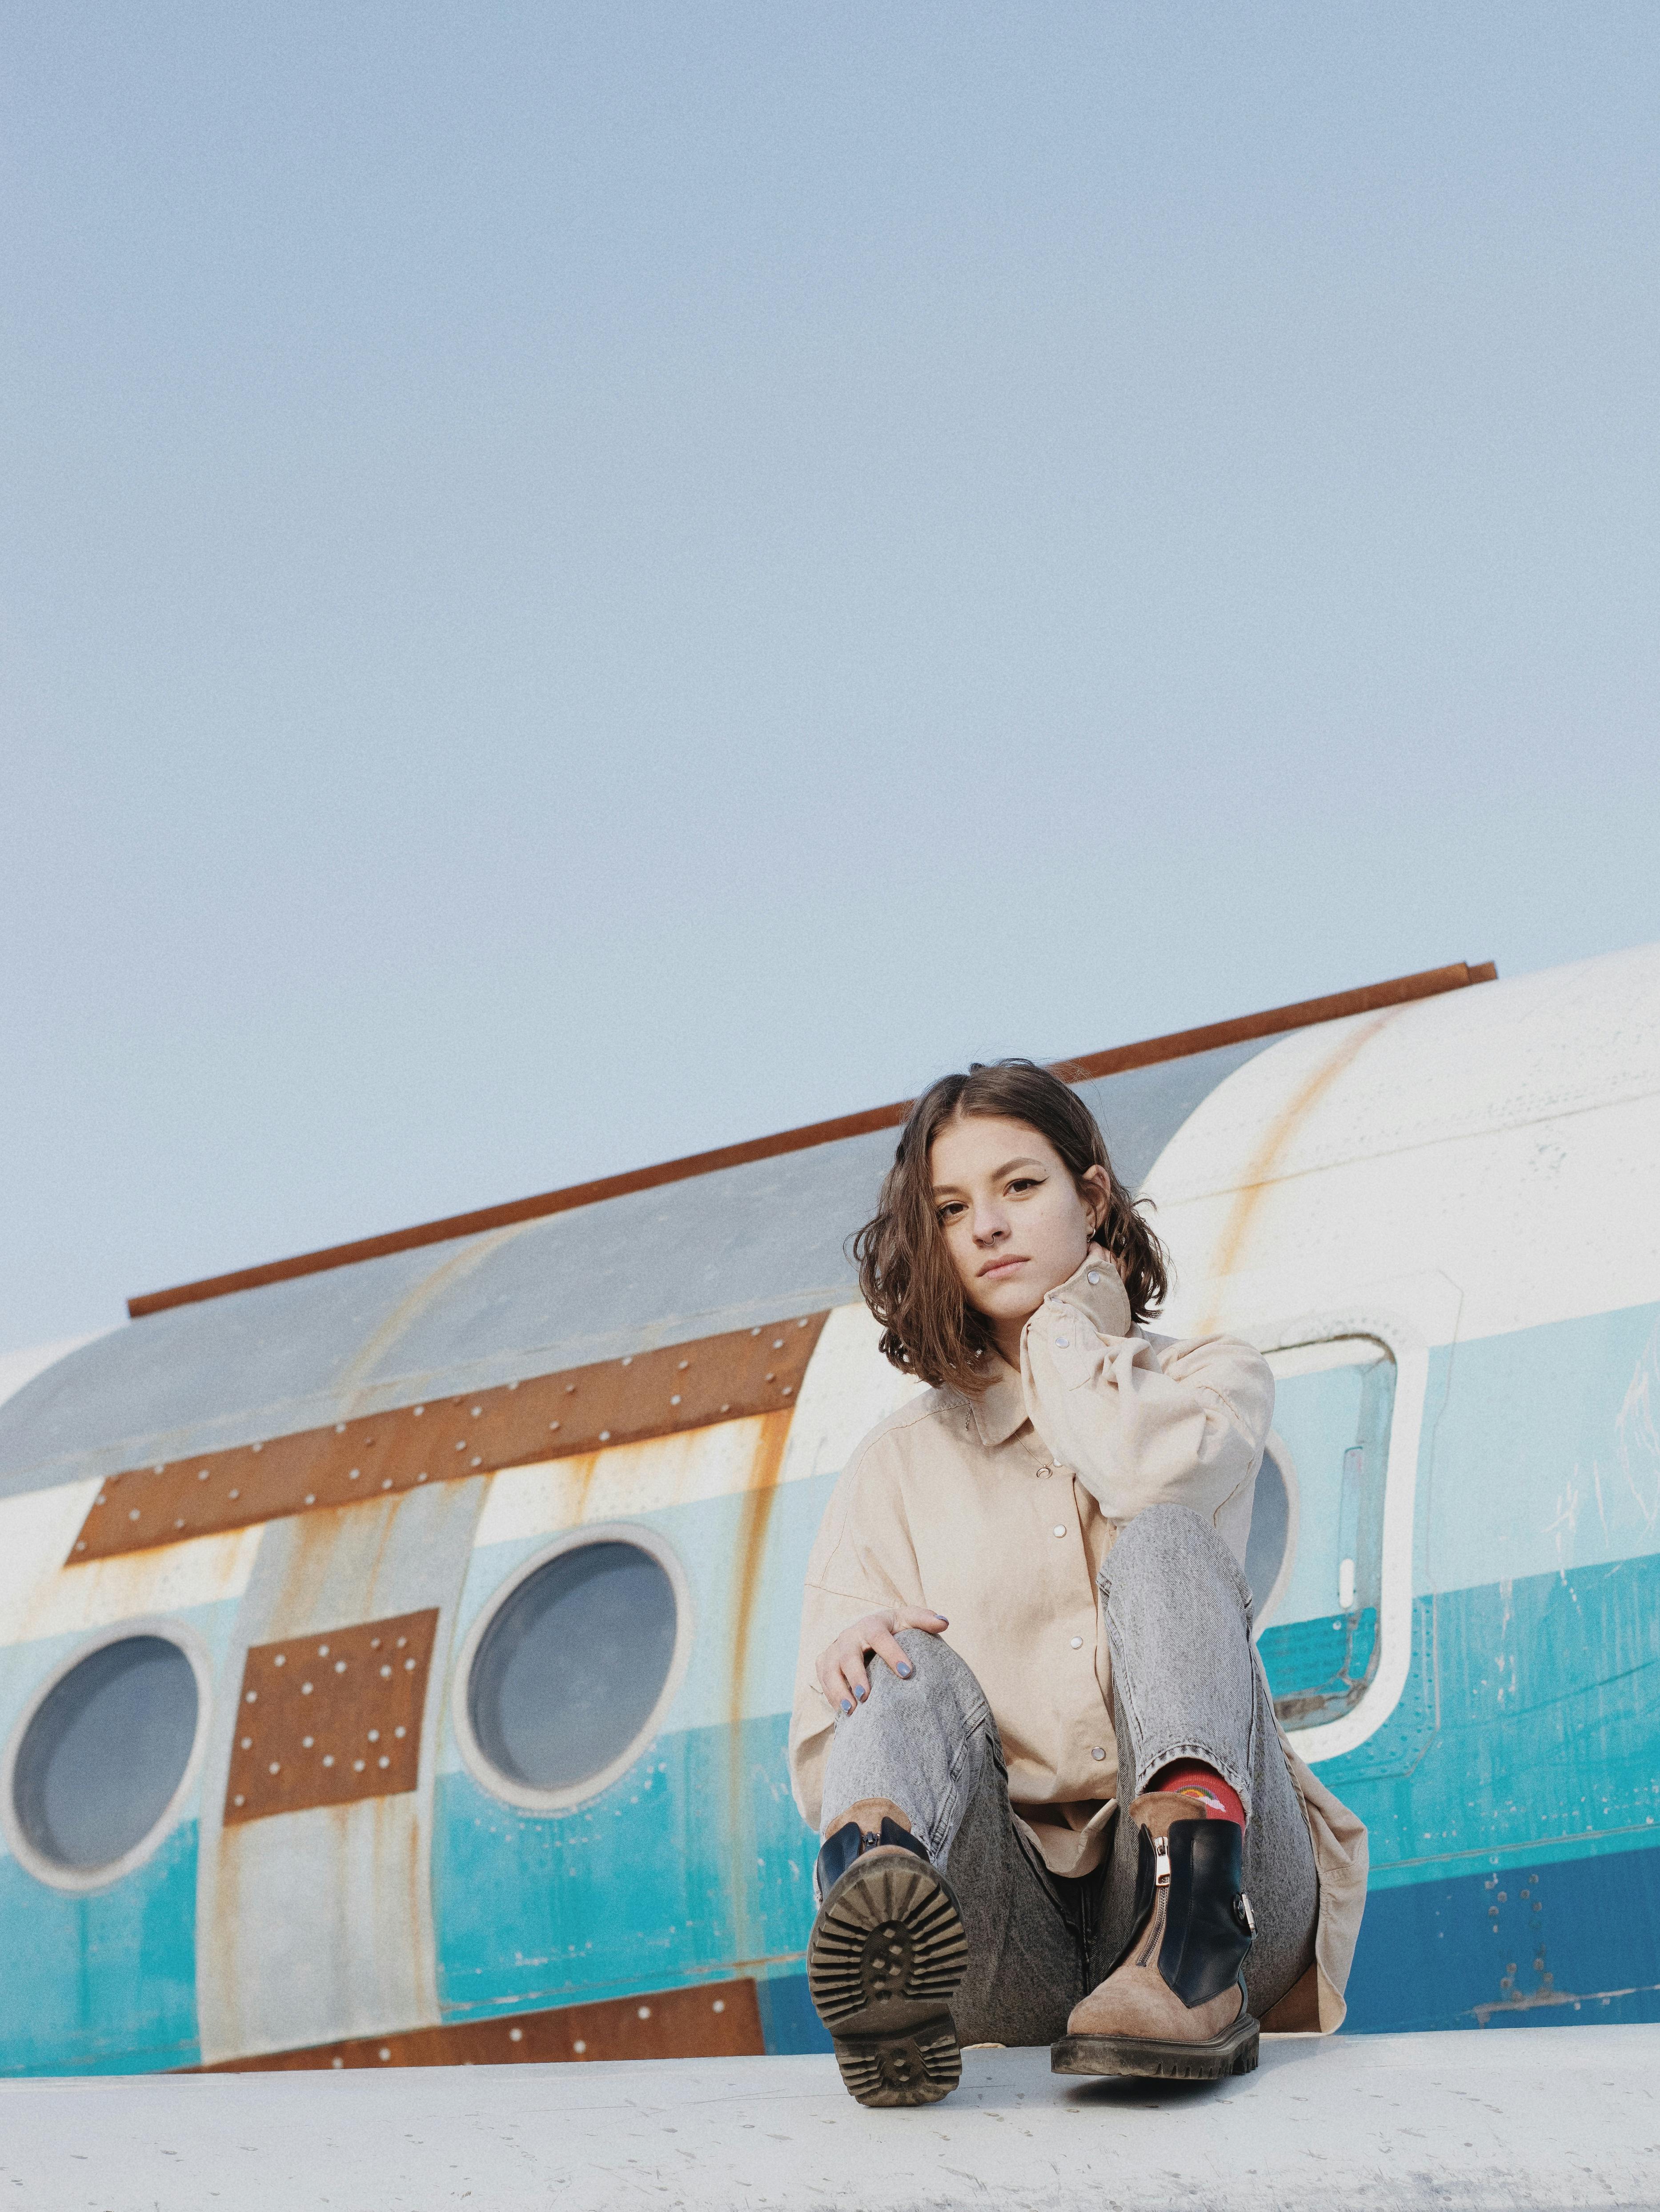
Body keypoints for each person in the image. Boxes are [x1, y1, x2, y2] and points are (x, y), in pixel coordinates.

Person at [786, 1059, 1367, 2108]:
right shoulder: (896, 1465)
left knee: (1163, 1544)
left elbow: (1145, 1473)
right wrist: (862, 1673)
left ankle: (1185, 1949)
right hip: (1002, 1930)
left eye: (1019, 1188)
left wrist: (1067, 1325)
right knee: (891, 1661)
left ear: (1092, 1198)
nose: (987, 1229)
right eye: (952, 1209)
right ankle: (877, 1936)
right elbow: (819, 1750)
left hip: (1225, 1899)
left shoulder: (1207, 1382)